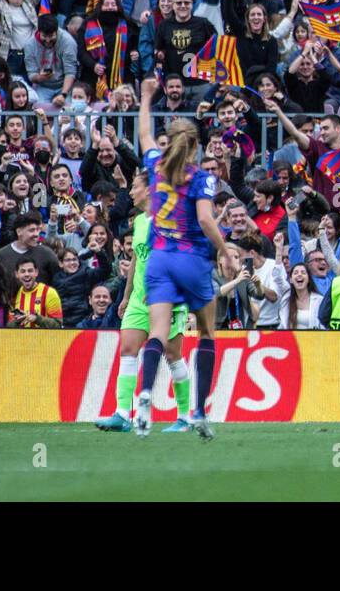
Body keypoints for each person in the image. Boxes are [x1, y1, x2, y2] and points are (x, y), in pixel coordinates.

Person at [132, 77, 234, 440]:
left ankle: (144, 393)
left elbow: (144, 131)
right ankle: (201, 412)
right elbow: (206, 219)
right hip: (190, 260)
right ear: (195, 147)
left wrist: (145, 97)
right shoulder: (201, 178)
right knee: (206, 332)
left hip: (159, 259)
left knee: (157, 333)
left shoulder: (155, 165)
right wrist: (225, 253)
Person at [93, 169, 193, 433]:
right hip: (139, 298)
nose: (130, 192)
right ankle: (122, 414)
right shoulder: (139, 221)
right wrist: (126, 295)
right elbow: (137, 259)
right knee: (128, 349)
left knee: (172, 355)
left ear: (149, 189)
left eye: (134, 187)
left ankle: (185, 416)